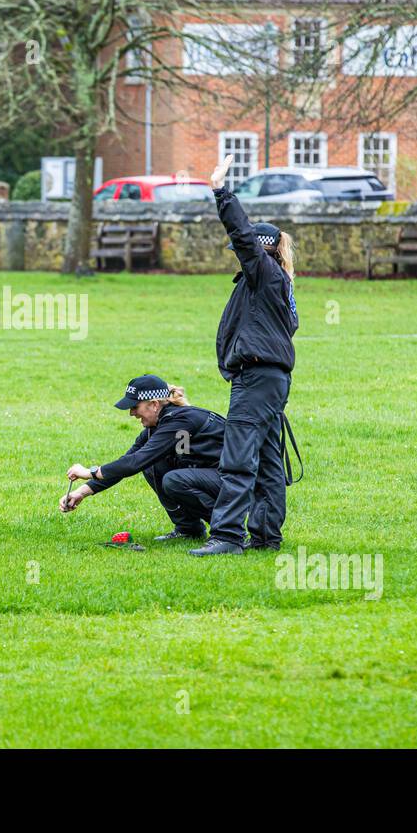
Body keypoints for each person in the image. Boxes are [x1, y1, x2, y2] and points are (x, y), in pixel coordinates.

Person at [188, 154, 299, 557]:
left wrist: (220, 191)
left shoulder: (264, 272)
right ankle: (267, 536)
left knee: (237, 458)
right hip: (271, 381)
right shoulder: (278, 284)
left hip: (256, 380)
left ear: (261, 249)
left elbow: (242, 235)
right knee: (268, 458)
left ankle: (228, 536)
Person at [60, 375, 227, 541]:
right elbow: (127, 462)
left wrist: (90, 472)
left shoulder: (179, 421)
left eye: (134, 406)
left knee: (174, 479)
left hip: (236, 481)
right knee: (152, 466)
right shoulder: (157, 427)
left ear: (154, 405)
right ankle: (189, 530)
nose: (131, 413)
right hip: (214, 477)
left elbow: (134, 463)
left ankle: (226, 530)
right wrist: (81, 493)